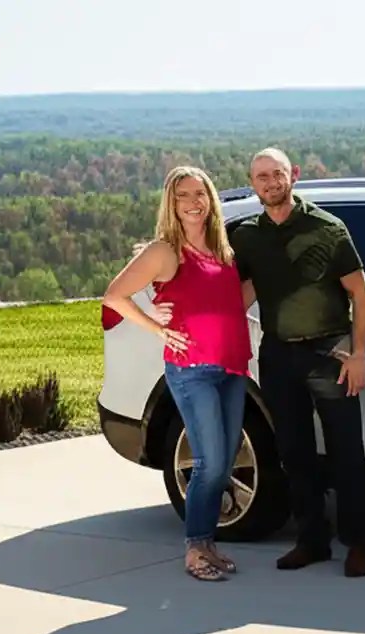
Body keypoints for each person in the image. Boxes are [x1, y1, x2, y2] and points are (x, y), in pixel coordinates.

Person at [229, 147, 365, 578]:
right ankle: (311, 541)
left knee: (347, 453)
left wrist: (360, 353)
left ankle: (360, 544)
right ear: (252, 183)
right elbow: (241, 294)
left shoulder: (328, 229)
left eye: (277, 174)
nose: (271, 183)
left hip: (331, 353)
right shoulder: (247, 236)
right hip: (277, 355)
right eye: (261, 177)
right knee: (294, 454)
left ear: (292, 175)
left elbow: (361, 297)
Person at [103, 166, 253, 582]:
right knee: (208, 463)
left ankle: (208, 545)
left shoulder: (222, 249)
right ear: (171, 202)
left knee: (224, 464)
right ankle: (194, 550)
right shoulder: (165, 251)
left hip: (232, 366)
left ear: (210, 200)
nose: (193, 202)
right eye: (183, 195)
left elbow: (232, 301)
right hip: (193, 371)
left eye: (199, 194)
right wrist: (156, 325)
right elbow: (115, 295)